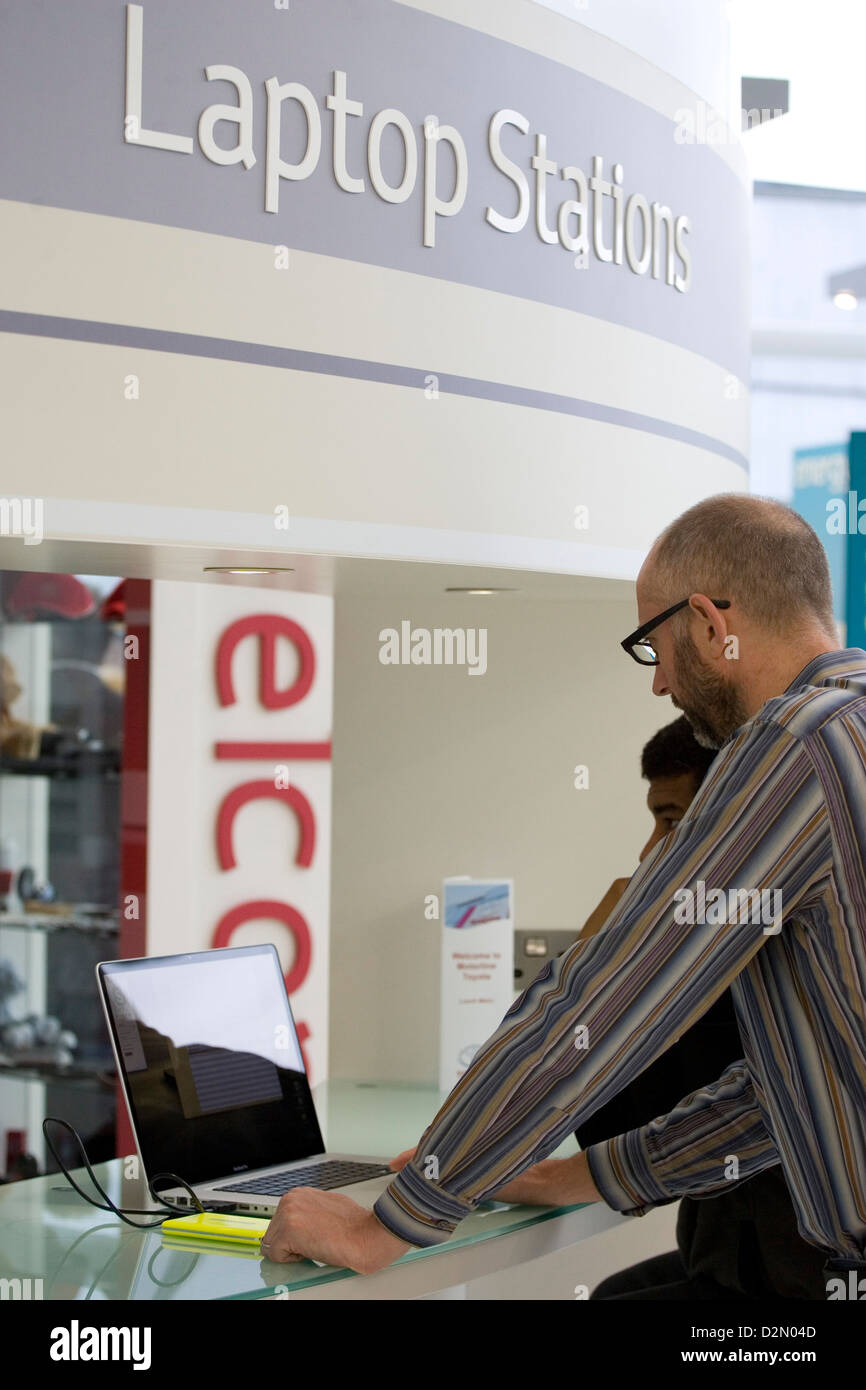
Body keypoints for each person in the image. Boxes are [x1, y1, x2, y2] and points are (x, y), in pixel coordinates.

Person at [259, 494, 866, 1295]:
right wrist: (571, 1176)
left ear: (711, 621)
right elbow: (798, 1090)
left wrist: (390, 1220)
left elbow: (601, 1004)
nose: (661, 687)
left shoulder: (792, 747)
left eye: (656, 647)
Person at [574, 716, 825, 1300]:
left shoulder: (751, 976)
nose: (649, 852)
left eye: (671, 821)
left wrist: (597, 961)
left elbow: (614, 1132)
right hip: (738, 1259)